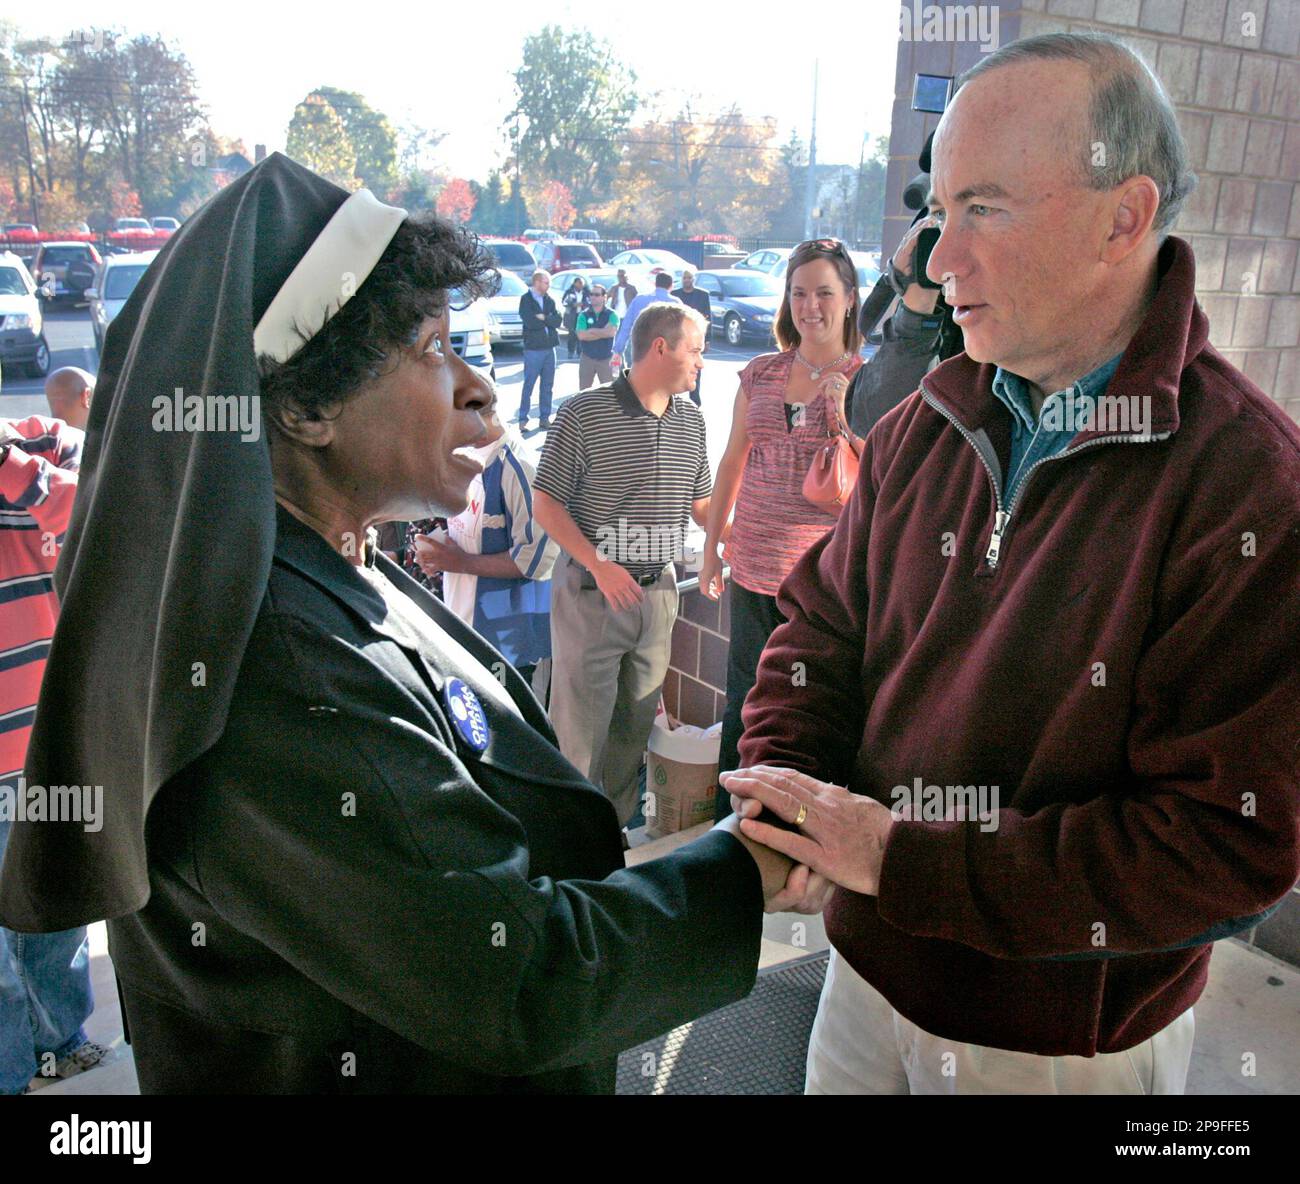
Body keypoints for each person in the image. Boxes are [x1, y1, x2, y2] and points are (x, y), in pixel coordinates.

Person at [0, 154, 829, 1094]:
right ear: (308, 404)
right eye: (435, 347)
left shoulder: (325, 560)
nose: (477, 387)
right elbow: (519, 976)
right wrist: (742, 869)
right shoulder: (271, 667)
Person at [723, 32, 1300, 1096]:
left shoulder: (1245, 486)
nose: (938, 261)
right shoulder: (926, 420)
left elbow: (1221, 846)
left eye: (981, 209)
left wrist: (900, 858)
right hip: (862, 971)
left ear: (1122, 217)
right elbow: (817, 630)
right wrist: (789, 793)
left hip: (1056, 1043)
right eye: (938, 213)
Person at [698, 238, 863, 808]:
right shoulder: (763, 372)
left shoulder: (868, 379)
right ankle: (729, 831)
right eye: (798, 293)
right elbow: (731, 461)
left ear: (849, 299)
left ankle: (795, 833)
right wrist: (710, 548)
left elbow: (887, 479)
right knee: (742, 700)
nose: (809, 305)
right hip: (750, 569)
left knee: (806, 709)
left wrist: (847, 411)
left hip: (821, 582)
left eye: (823, 292)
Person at [534, 304, 710, 836]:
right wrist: (600, 564)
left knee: (631, 736)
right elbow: (546, 503)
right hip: (593, 594)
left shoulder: (693, 420)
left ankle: (608, 851)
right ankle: (565, 857)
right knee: (579, 740)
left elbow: (703, 506)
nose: (702, 362)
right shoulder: (584, 413)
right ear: (661, 348)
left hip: (658, 598)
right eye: (695, 350)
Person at [0, 414, 108, 1094]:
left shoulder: (41, 442)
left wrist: (10, 465)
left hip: (43, 742)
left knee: (52, 910)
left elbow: (101, 508)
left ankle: (59, 1042)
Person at [413, 404, 558, 694]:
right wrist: (439, 556)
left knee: (504, 723)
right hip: (463, 622)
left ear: (481, 415)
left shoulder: (520, 469)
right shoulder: (464, 452)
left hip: (506, 641)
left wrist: (460, 562)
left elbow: (535, 562)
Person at [517, 268, 561, 430]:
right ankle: (523, 419)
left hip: (550, 348)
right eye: (546, 282)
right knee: (529, 384)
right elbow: (530, 322)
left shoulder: (549, 300)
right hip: (533, 349)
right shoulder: (526, 300)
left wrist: (545, 318)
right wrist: (546, 320)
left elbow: (557, 320)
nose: (548, 285)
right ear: (537, 282)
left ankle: (545, 417)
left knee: (547, 385)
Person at [611, 271, 680, 368]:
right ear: (671, 286)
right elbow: (680, 330)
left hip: (640, 349)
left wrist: (618, 350)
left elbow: (626, 327)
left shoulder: (639, 300)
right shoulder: (675, 302)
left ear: (655, 284)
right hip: (665, 350)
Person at [672, 270, 711, 406]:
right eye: (684, 278)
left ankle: (695, 400)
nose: (687, 280)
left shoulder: (703, 295)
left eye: (689, 278)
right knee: (676, 365)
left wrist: (707, 340)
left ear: (693, 279)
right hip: (679, 336)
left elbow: (707, 317)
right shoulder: (675, 295)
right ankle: (673, 397)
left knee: (695, 367)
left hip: (696, 336)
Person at [574, 283, 619, 390]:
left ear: (604, 297)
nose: (593, 297)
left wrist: (592, 330)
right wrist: (603, 331)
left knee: (609, 393)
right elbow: (581, 335)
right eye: (591, 294)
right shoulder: (583, 315)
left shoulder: (612, 315)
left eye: (597, 294)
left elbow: (611, 333)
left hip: (606, 359)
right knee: (584, 393)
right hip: (587, 358)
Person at [561, 275, 587, 360]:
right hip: (572, 316)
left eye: (582, 283)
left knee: (581, 334)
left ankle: (580, 352)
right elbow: (564, 302)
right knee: (572, 335)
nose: (581, 285)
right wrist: (573, 304)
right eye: (579, 283)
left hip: (582, 316)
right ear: (575, 283)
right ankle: (570, 352)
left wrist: (583, 304)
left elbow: (590, 302)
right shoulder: (569, 292)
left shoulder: (586, 292)